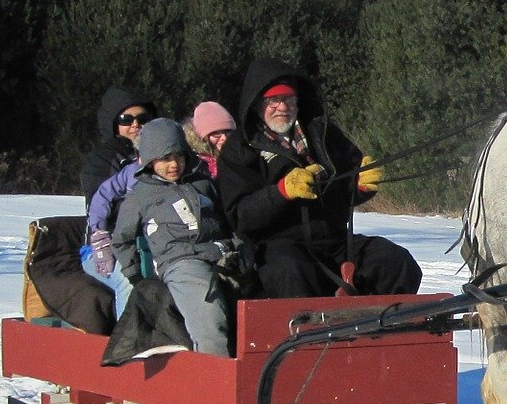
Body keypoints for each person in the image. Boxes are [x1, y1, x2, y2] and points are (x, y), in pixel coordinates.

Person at [215, 58, 420, 299]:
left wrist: (362, 185)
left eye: (289, 99)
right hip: (277, 248)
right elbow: (240, 217)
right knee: (291, 271)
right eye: (274, 100)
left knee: (396, 262)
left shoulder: (322, 133)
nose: (283, 107)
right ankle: (308, 335)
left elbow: (348, 183)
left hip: (334, 242)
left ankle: (382, 329)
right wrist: (281, 192)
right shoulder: (239, 149)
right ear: (257, 103)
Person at [112, 118, 234, 357]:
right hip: (181, 261)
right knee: (208, 310)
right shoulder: (141, 194)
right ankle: (213, 374)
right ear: (149, 160)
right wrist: (133, 272)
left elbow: (226, 219)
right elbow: (121, 238)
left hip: (221, 252)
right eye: (165, 158)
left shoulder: (203, 183)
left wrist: (238, 245)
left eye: (179, 155)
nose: (174, 164)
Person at [79, 87, 156, 314]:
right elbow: (98, 205)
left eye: (143, 119)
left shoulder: (163, 155)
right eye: (126, 119)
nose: (135, 125)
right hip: (104, 247)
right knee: (129, 280)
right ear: (113, 123)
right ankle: (127, 344)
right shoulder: (101, 160)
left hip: (155, 242)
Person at [189, 100, 237, 177]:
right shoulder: (196, 168)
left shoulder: (242, 158)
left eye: (227, 132)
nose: (224, 138)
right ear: (203, 137)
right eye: (216, 133)